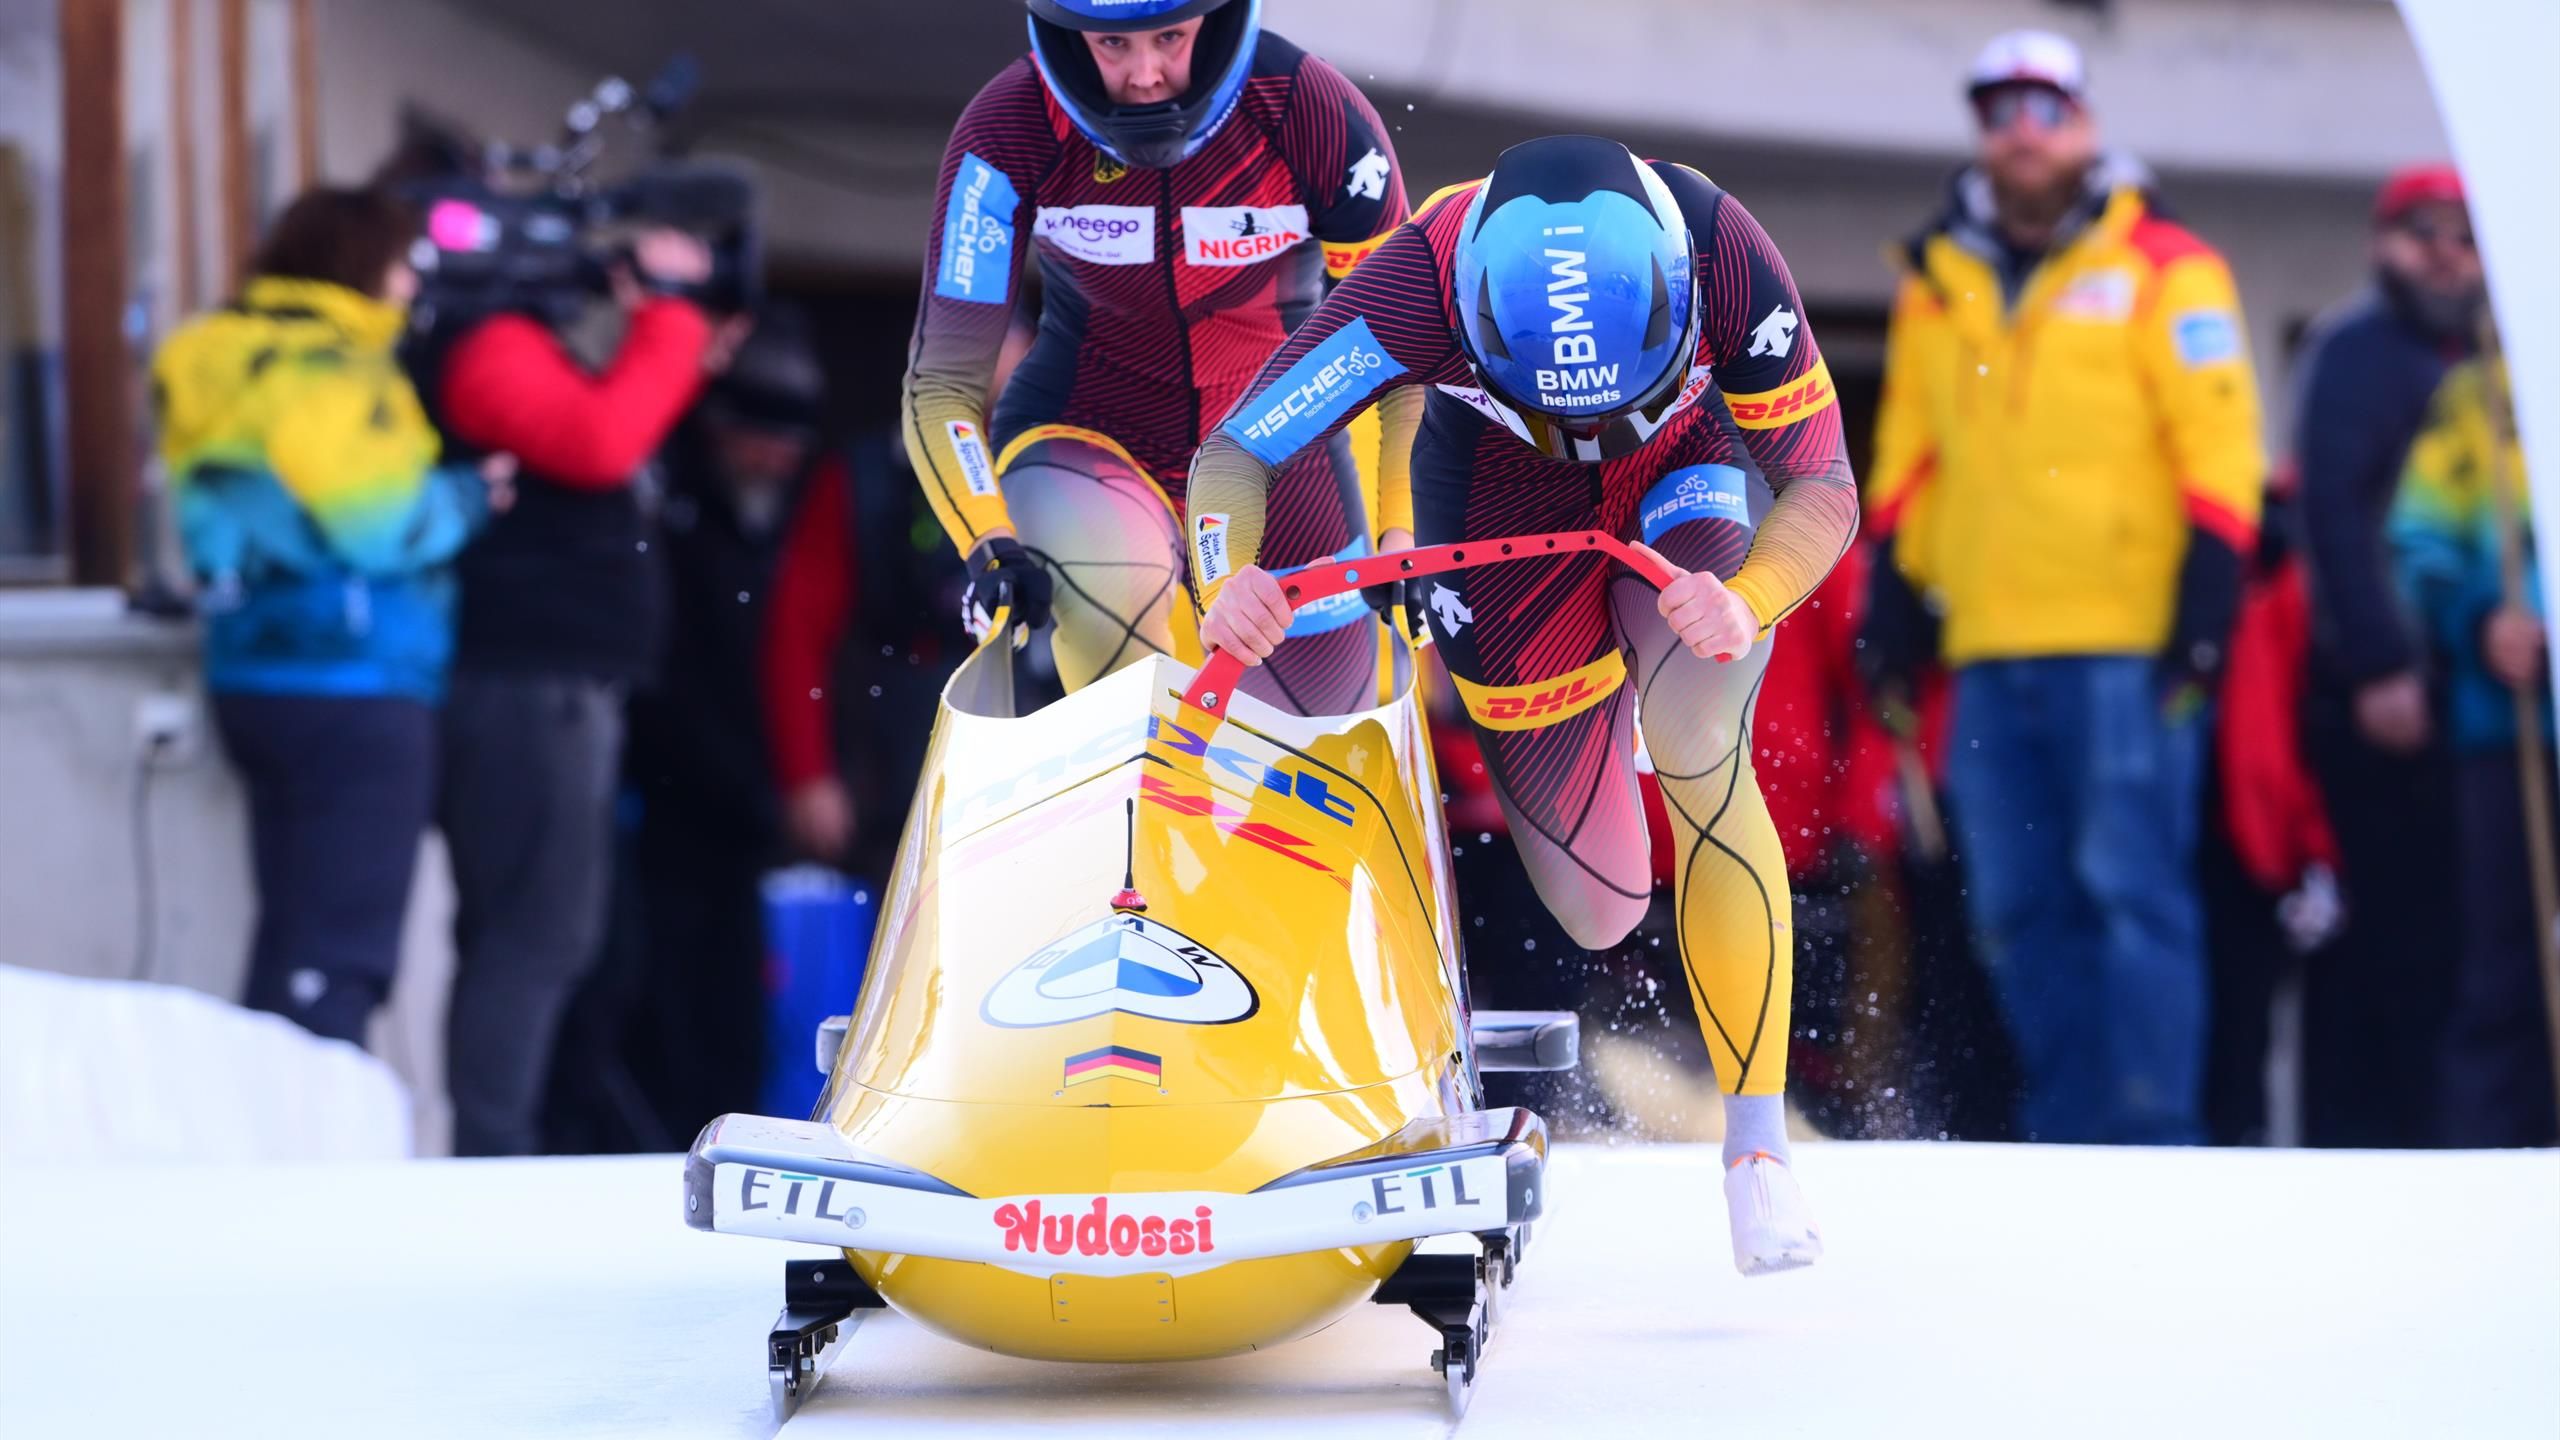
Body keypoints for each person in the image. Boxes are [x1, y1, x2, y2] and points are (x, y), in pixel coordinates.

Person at [1193, 134, 1860, 1274]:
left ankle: (1757, 1156)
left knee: (1697, 733)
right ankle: (1605, 709)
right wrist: (1227, 581)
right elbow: (1235, 456)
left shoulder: (1724, 254)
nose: (1588, 430)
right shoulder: (1416, 279)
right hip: (1497, 510)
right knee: (1601, 905)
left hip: (1685, 475)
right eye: (1564, 410)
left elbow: (1821, 484)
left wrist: (1748, 600)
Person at [1859, 31, 2266, 1144]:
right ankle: (2072, 1142)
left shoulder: (2165, 264)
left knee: (2131, 897)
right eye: (1999, 109)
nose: (2022, 131)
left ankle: (2149, 1142)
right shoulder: (1933, 282)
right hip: (1988, 649)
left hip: (2126, 644)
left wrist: (2210, 590)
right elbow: (1907, 460)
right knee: (2015, 909)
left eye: (2045, 107)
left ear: (2084, 123)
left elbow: (2220, 441)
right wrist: (1888, 593)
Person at [899, 0, 1415, 716]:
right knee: (1119, 581)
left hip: (1278, 451)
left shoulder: (1310, 109)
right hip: (1089, 435)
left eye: (1170, 37)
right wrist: (987, 538)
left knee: (1322, 737)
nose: (1145, 76)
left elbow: (1406, 344)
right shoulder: (1009, 126)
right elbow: (943, 383)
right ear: (1069, 37)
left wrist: (1405, 532)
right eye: (1113, 43)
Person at [153, 187, 502, 1045]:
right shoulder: (334, 371)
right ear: (359, 267)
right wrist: (469, 494)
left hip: (252, 672)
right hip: (357, 676)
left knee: (293, 937)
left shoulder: (218, 356)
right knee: (341, 953)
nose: (412, 285)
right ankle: (319, 1158)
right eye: (399, 264)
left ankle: (272, 1137)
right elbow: (379, 523)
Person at [426, 226, 724, 1155]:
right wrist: (671, 313)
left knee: (559, 934)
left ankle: (524, 1138)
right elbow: (599, 438)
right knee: (536, 933)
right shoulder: (478, 340)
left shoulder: (505, 337)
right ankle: (494, 1154)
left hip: (553, 684)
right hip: (527, 683)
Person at [2289, 164, 2482, 1146]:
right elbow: (2332, 510)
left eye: (2463, 233)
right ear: (2381, 243)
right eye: (2423, 231)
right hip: (2377, 695)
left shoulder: (2489, 354)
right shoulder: (2359, 350)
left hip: (2478, 696)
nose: (2446, 252)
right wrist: (2375, 664)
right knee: (2386, 936)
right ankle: (2370, 1142)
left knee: (2460, 936)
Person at [2389, 356, 2558, 1147]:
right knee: (2504, 969)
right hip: (2512, 728)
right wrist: (2484, 617)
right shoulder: (2480, 394)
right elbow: (2422, 545)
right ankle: (2493, 1166)